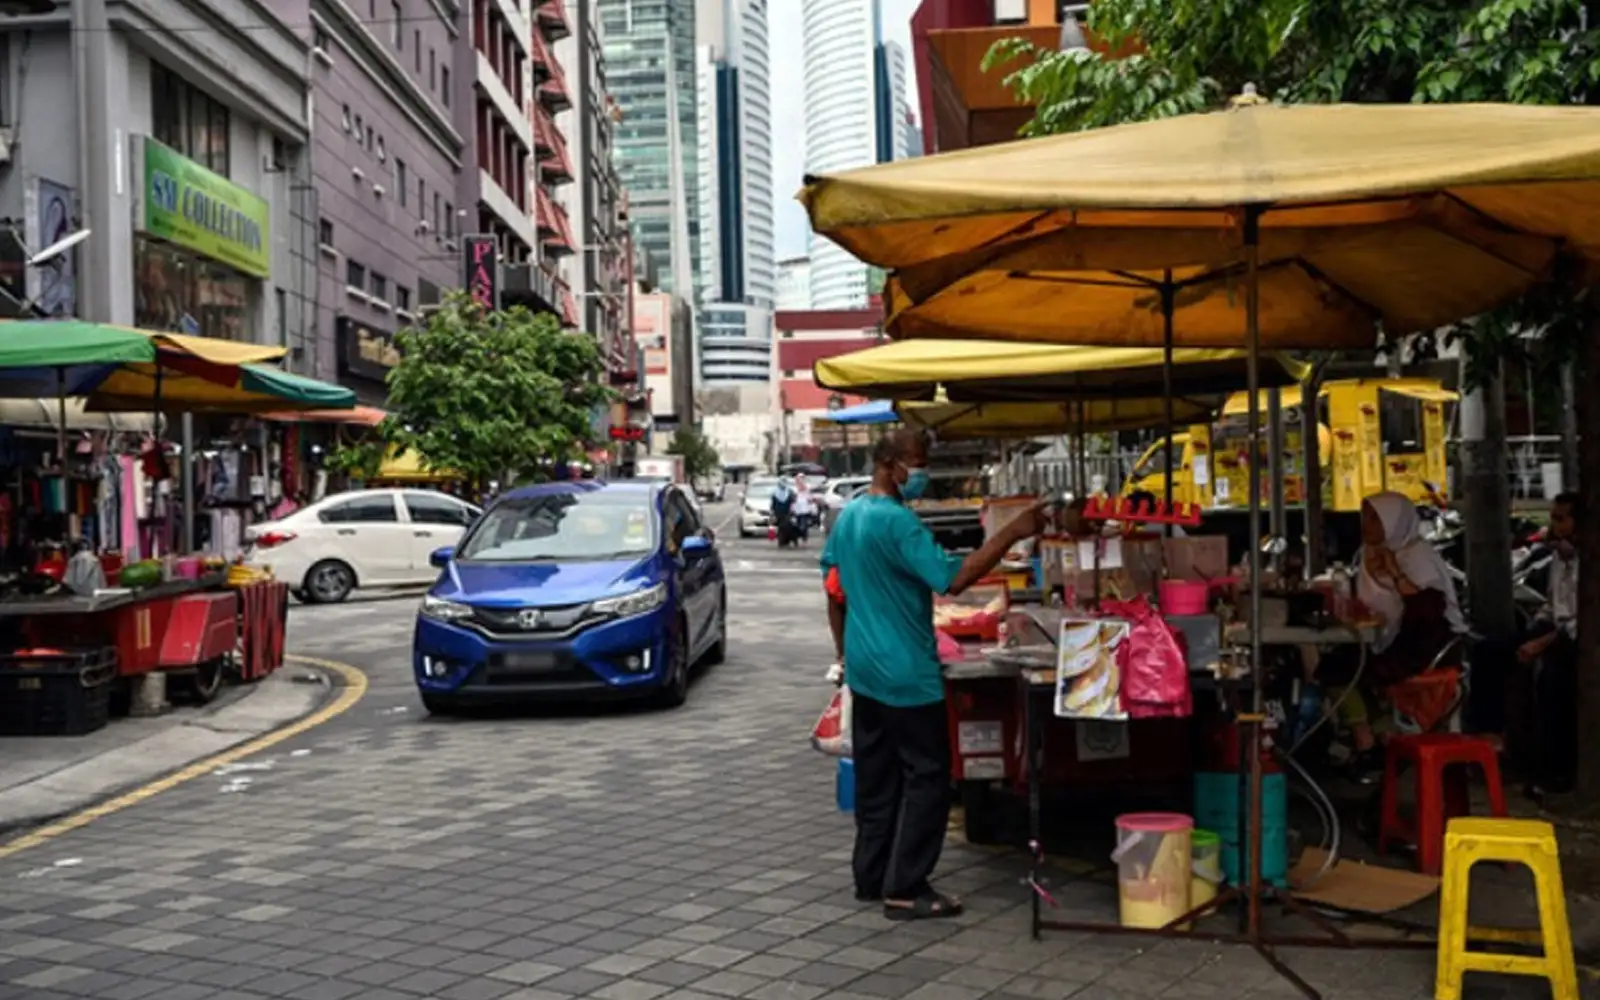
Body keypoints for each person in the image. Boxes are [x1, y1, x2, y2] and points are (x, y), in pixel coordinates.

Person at [821, 429, 1047, 920]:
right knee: (927, 779)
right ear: (891, 464)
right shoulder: (899, 524)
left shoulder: (851, 516)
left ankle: (872, 876)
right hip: (908, 678)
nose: (920, 474)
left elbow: (833, 593)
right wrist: (1013, 531)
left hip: (866, 673)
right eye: (916, 463)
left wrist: (845, 656)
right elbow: (955, 578)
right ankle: (905, 888)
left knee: (877, 781)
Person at [1325, 492, 1465, 773]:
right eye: (1364, 517)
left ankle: (1371, 742)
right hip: (1388, 640)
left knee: (1346, 670)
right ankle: (1370, 738)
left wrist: (1394, 571)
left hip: (1424, 646)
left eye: (1376, 518)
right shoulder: (1366, 555)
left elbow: (1428, 610)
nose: (1367, 525)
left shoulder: (1417, 556)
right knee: (1335, 664)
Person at [1519, 492, 1580, 797]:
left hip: (1574, 642)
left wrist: (1542, 641)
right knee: (1496, 649)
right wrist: (1533, 631)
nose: (1554, 526)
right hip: (1555, 629)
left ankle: (1556, 770)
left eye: (1561, 518)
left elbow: (1577, 622)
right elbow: (1553, 604)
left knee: (1553, 682)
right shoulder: (1557, 557)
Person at [793, 477, 817, 543]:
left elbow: (810, 498)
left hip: (805, 509)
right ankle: (800, 535)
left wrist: (811, 503)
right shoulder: (795, 490)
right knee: (798, 522)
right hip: (797, 509)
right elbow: (793, 499)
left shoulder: (807, 489)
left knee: (804, 524)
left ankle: (804, 535)